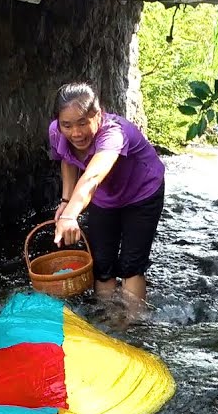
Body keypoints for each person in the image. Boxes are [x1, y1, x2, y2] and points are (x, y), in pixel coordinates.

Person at [49, 82, 166, 309]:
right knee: (102, 265)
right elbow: (67, 158)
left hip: (142, 193)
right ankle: (106, 321)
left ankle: (132, 326)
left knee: (131, 265)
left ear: (98, 115)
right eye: (67, 125)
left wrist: (70, 216)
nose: (76, 133)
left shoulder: (114, 133)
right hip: (104, 197)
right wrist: (65, 201)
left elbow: (92, 177)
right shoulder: (56, 131)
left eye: (83, 123)